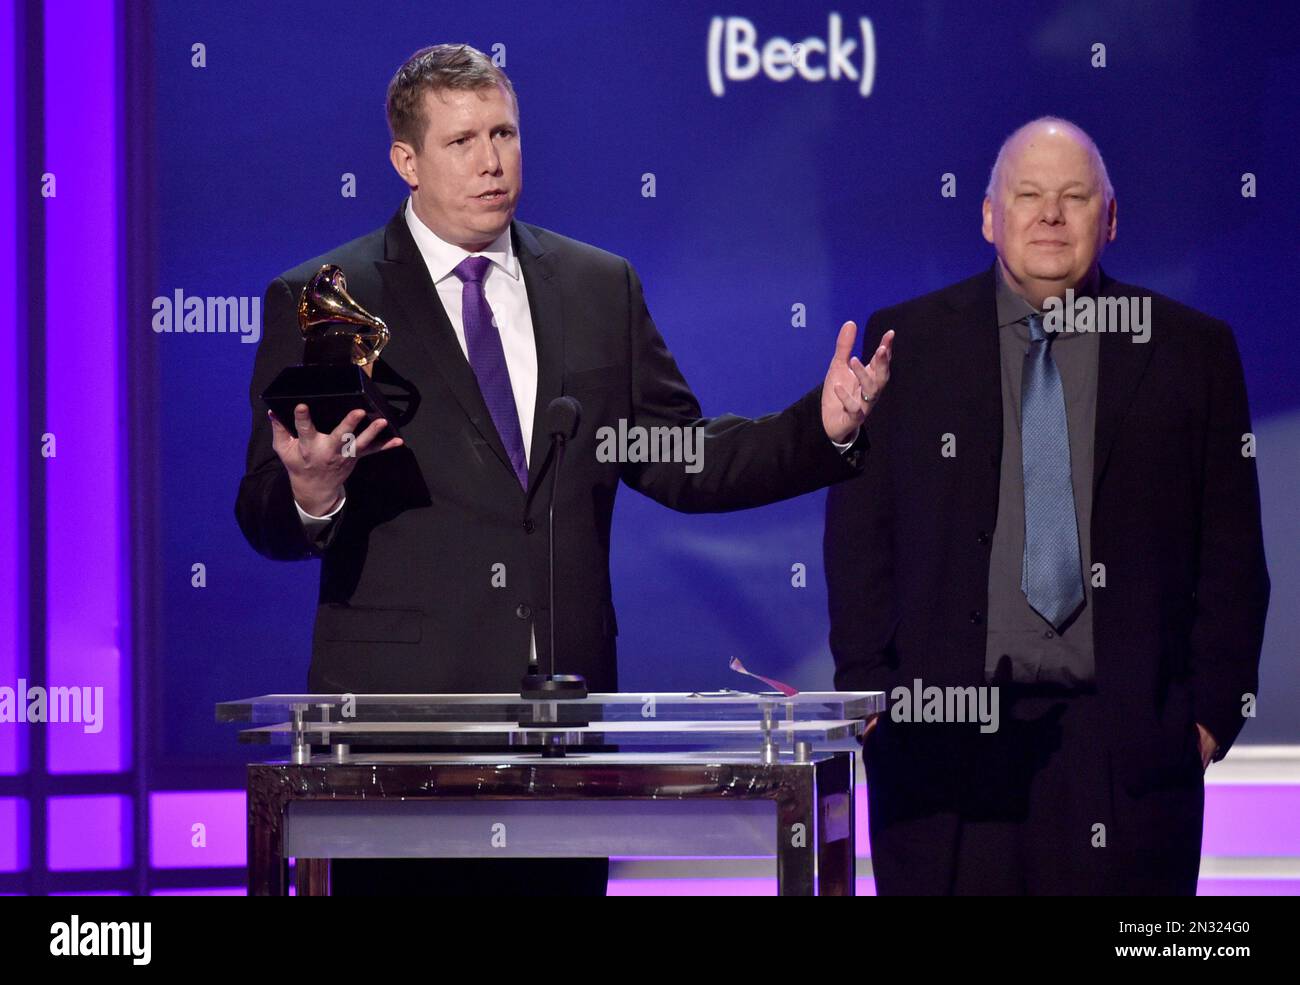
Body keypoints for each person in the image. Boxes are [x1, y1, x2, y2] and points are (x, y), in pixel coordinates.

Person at [235, 43, 893, 895]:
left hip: (563, 738)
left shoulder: (595, 286)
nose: (492, 160)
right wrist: (312, 495)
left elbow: (682, 459)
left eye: (504, 133)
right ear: (406, 161)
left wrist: (821, 425)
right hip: (399, 739)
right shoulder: (327, 296)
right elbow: (261, 506)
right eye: (462, 141)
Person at [824, 117, 1268, 895]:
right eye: (1028, 195)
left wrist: (1204, 723)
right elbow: (861, 536)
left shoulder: (1192, 351)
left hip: (1129, 754)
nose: (1051, 216)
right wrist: (873, 698)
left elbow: (1232, 555)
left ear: (1112, 216)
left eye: (1074, 196)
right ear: (990, 215)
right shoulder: (911, 345)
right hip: (944, 751)